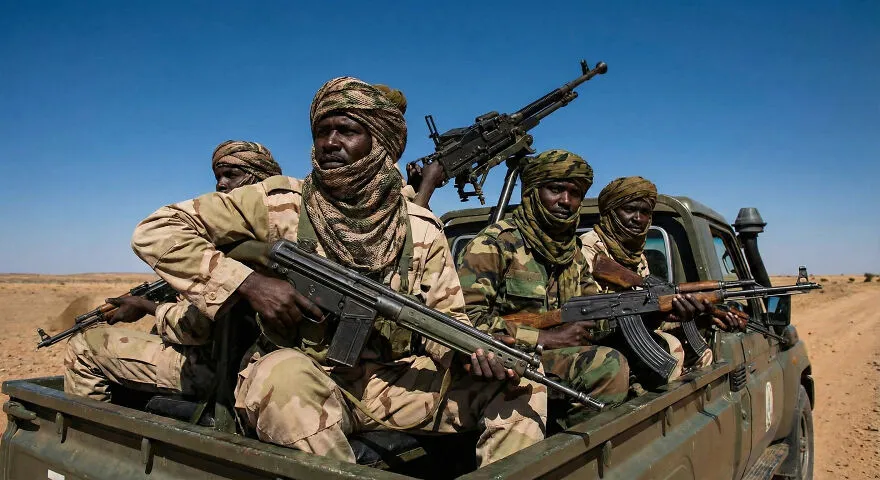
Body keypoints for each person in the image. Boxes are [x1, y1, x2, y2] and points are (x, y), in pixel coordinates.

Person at [130, 77, 546, 466]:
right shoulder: (278, 203)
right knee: (281, 379)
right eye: (321, 130)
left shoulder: (419, 226)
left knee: (524, 379)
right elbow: (156, 230)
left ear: (379, 141)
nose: (329, 142)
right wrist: (248, 284)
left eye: (346, 130)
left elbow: (445, 318)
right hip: (305, 376)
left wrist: (472, 354)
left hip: (388, 382)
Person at [63, 141, 282, 402]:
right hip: (258, 365)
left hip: (225, 371)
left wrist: (147, 308)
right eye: (217, 177)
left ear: (257, 179)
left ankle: (89, 440)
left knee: (84, 346)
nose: (221, 185)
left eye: (231, 175)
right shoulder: (276, 236)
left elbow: (194, 329)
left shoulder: (241, 251)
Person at [456, 150, 630, 427]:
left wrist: (646, 313)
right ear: (533, 192)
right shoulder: (494, 244)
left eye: (575, 193)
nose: (566, 201)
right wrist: (544, 338)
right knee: (608, 364)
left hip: (552, 359)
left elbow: (593, 313)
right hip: (504, 361)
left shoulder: (572, 253)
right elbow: (466, 323)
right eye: (556, 189)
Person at [580, 176, 744, 382]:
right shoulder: (587, 252)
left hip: (621, 341)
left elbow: (644, 310)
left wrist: (698, 315)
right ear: (610, 212)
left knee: (700, 351)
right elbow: (584, 317)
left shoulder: (636, 256)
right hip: (596, 346)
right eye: (629, 209)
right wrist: (650, 317)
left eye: (645, 212)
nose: (638, 218)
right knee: (670, 349)